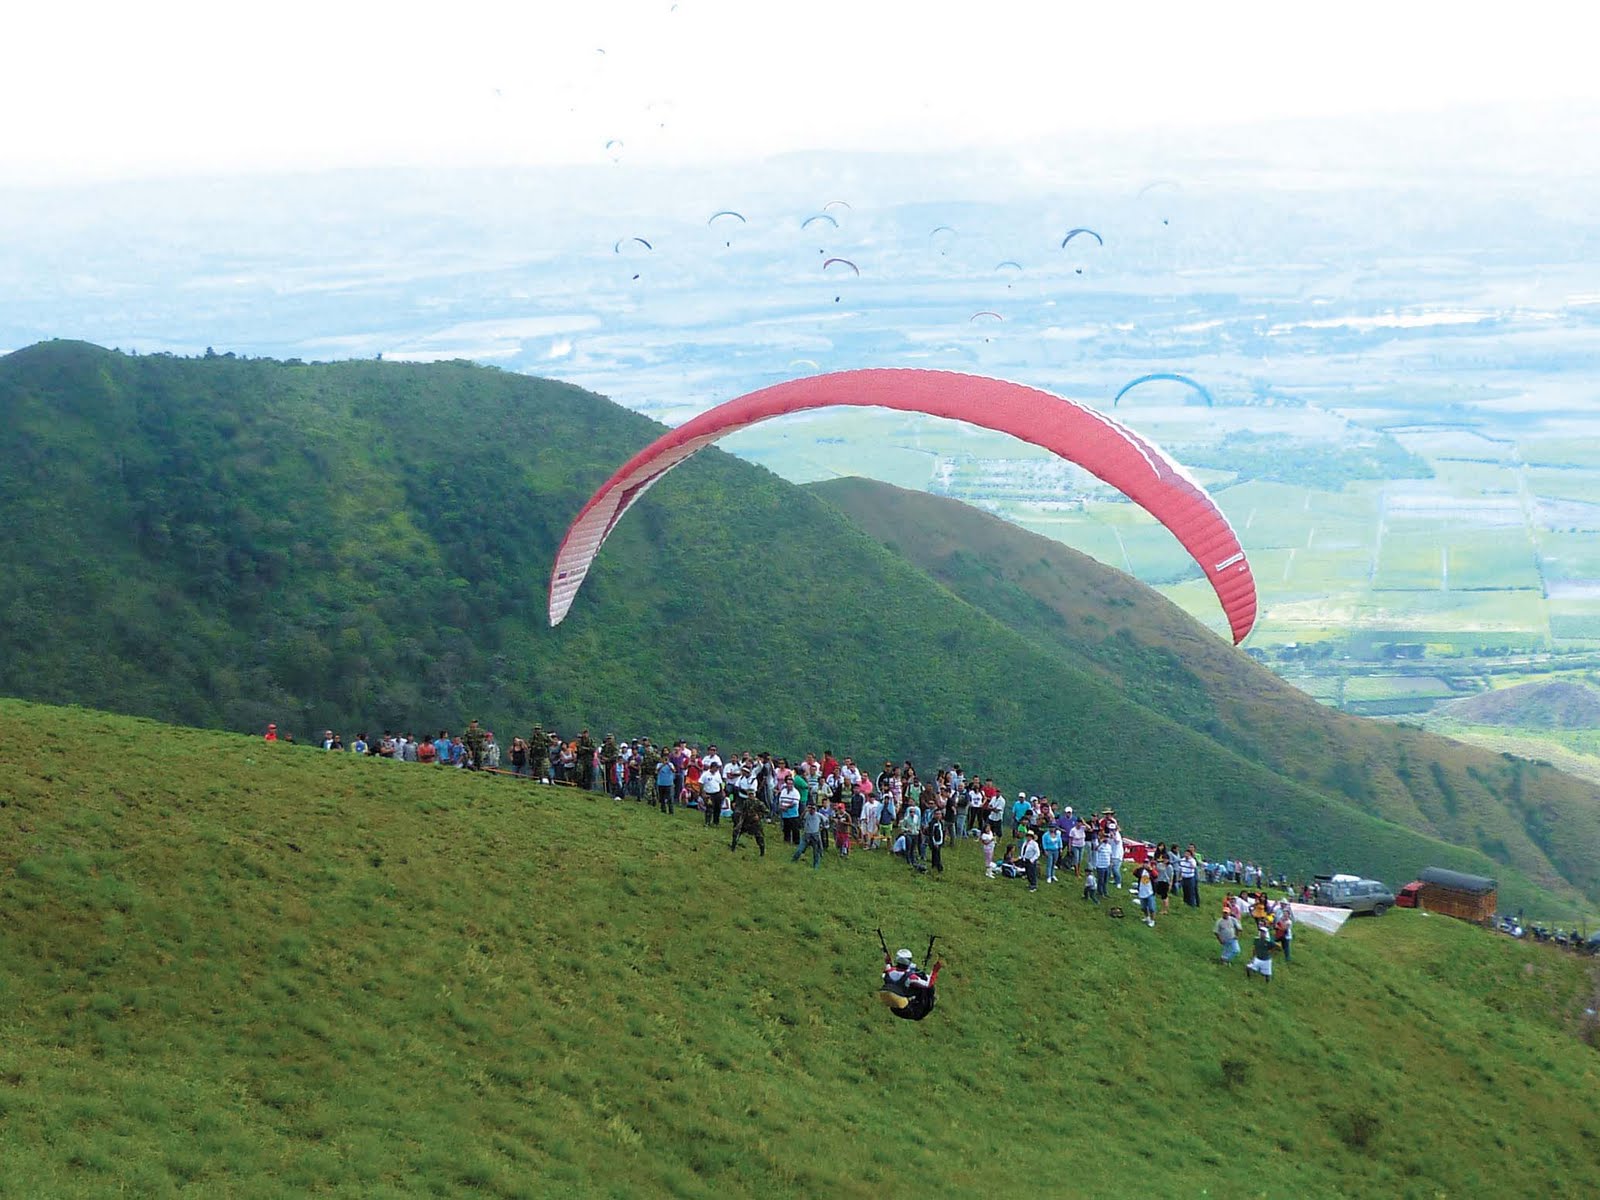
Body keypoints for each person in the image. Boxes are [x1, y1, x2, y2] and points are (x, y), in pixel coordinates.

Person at [879, 948, 942, 1021]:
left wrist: (886, 955)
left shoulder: (889, 971)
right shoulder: (910, 977)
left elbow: (888, 963)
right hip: (911, 1011)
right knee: (927, 989)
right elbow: (928, 984)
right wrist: (935, 970)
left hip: (894, 1008)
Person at [730, 787, 766, 856]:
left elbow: (766, 812)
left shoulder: (759, 803)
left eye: (752, 794)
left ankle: (762, 852)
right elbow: (743, 811)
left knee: (759, 837)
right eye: (749, 794)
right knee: (736, 831)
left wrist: (759, 816)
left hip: (755, 822)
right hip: (745, 821)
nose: (751, 796)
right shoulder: (746, 802)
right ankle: (733, 848)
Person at [792, 802, 825, 868]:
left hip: (815, 835)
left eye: (813, 808)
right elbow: (801, 818)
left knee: (816, 852)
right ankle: (793, 861)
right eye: (810, 808)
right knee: (799, 850)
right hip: (806, 835)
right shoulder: (806, 814)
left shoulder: (819, 815)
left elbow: (826, 822)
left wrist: (821, 827)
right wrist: (805, 810)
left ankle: (816, 866)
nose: (811, 810)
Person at [700, 760, 725, 826]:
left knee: (717, 808)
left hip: (717, 793)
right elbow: (701, 783)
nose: (717, 769)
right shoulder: (705, 774)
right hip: (709, 794)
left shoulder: (718, 774)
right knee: (709, 808)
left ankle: (716, 822)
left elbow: (720, 783)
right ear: (712, 767)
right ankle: (707, 822)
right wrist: (703, 793)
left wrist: (722, 791)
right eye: (716, 768)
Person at [1135, 863, 1157, 927]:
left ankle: (1152, 921)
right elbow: (1134, 873)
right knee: (1143, 907)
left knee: (1152, 908)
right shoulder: (1141, 870)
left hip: (1150, 892)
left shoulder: (1151, 871)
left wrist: (1150, 869)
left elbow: (1156, 875)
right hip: (1142, 891)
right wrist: (1138, 867)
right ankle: (1147, 917)